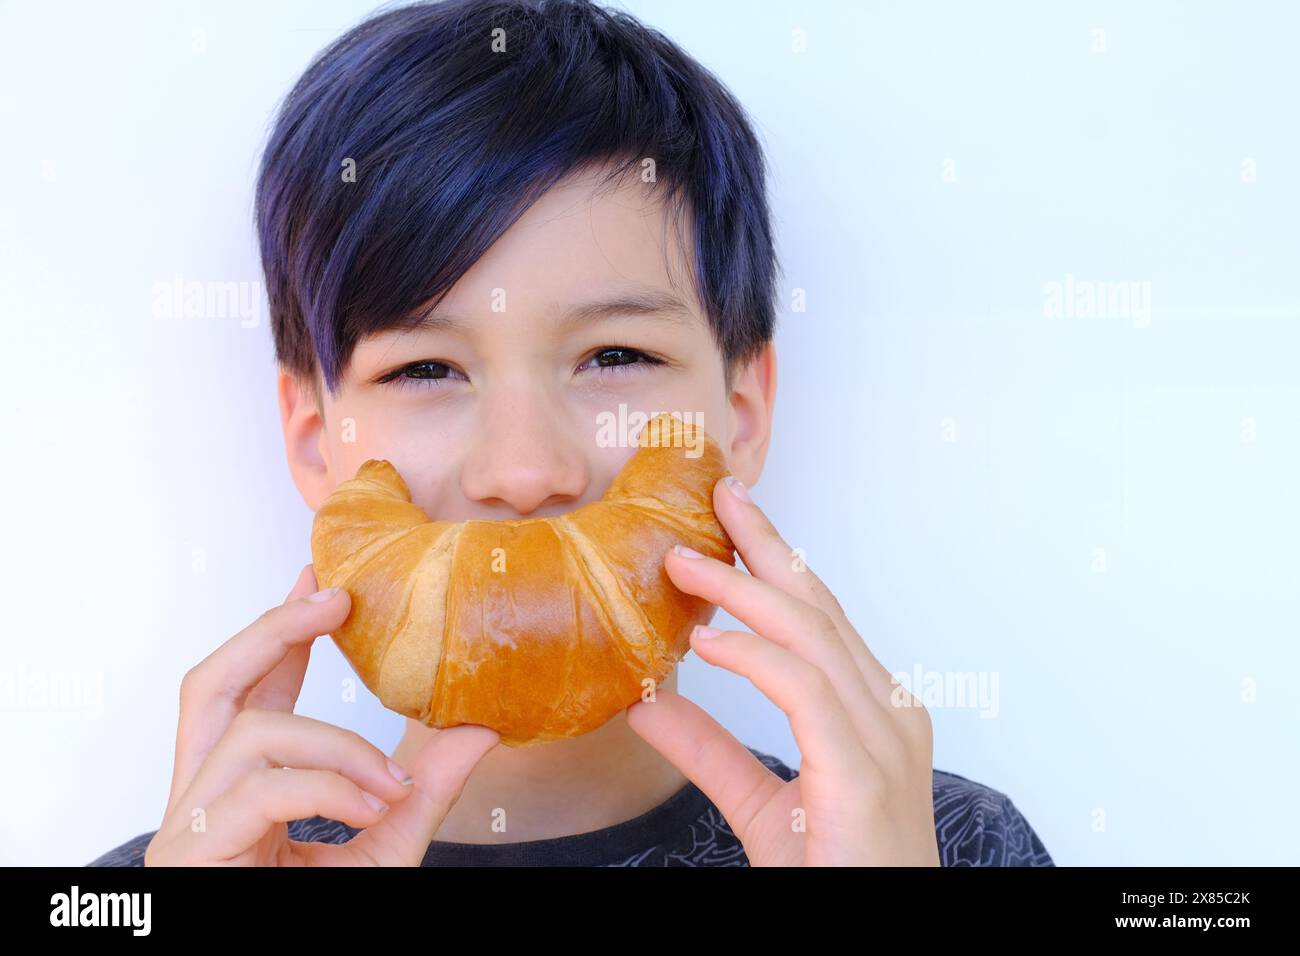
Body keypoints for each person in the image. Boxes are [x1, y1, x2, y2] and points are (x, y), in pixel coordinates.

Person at [89, 0, 1053, 867]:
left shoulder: (948, 847)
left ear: (743, 414)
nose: (524, 471)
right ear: (313, 439)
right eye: (425, 369)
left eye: (615, 358)